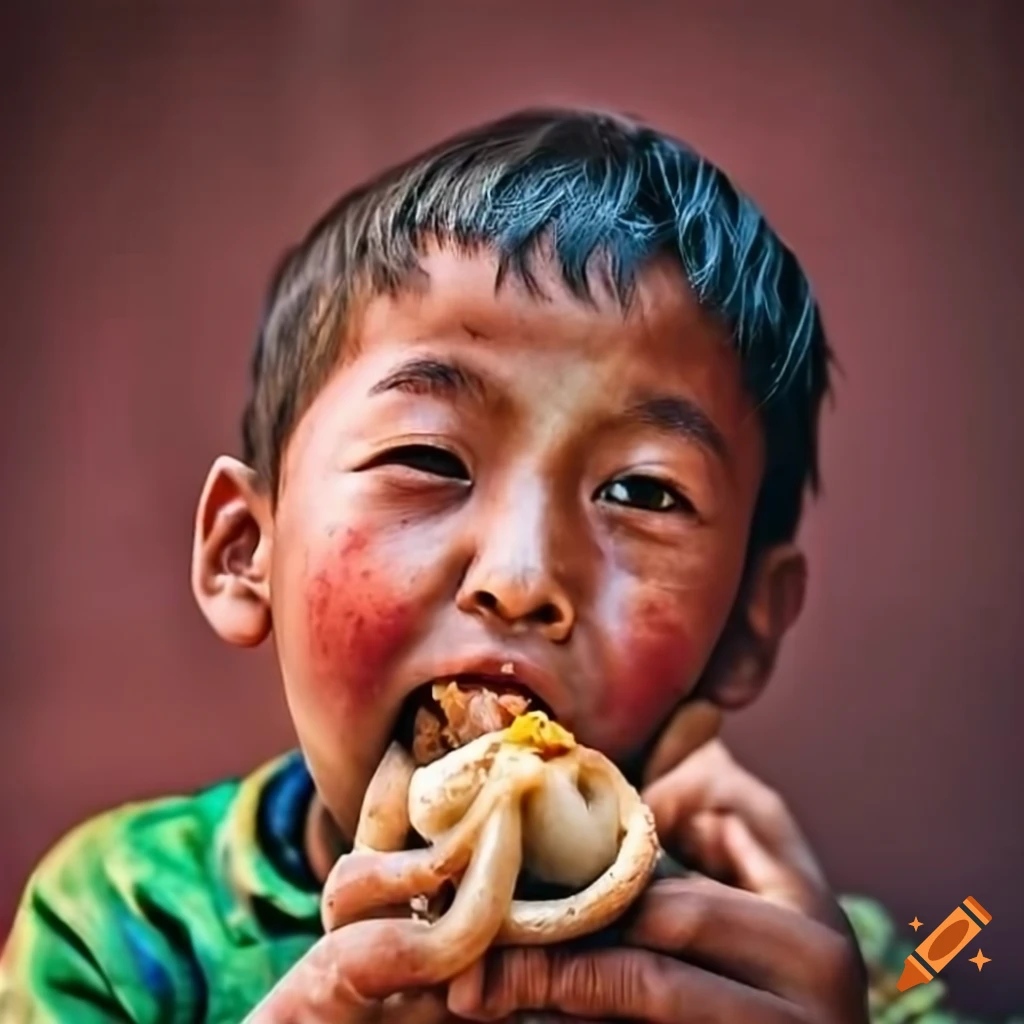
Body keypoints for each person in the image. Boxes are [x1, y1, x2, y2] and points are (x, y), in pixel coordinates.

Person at [0, 109, 973, 1023]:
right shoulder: (123, 923)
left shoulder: (835, 970)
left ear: (745, 629)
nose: (518, 575)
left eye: (641, 493)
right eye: (428, 458)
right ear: (245, 551)